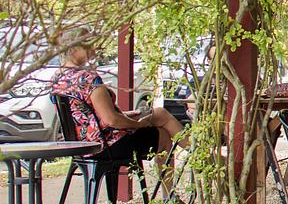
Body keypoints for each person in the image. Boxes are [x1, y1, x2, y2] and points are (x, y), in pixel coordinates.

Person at [51, 39, 189, 192]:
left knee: (159, 114)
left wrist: (127, 116)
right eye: (88, 43)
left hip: (81, 146)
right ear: (74, 47)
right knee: (163, 135)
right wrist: (139, 124)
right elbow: (112, 120)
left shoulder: (57, 78)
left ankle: (198, 154)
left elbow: (88, 115)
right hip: (106, 145)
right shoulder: (87, 78)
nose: (93, 46)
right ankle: (175, 188)